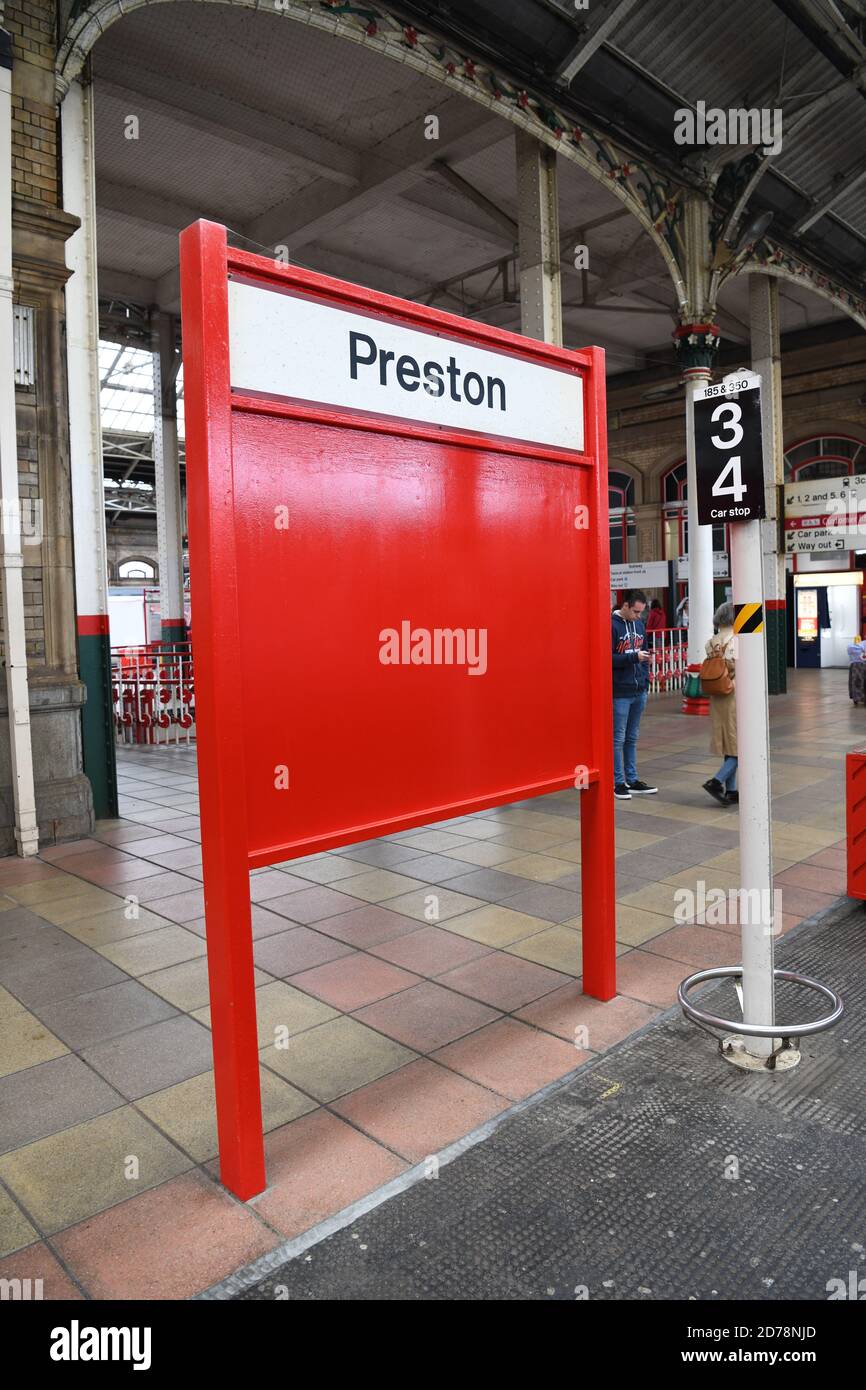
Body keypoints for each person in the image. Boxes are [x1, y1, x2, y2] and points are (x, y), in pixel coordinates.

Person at [612, 589, 658, 800]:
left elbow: (645, 650)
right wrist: (633, 658)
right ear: (626, 606)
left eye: (641, 612)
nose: (639, 616)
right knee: (618, 738)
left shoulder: (639, 625)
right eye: (636, 612)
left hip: (639, 689)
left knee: (632, 737)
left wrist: (646, 673)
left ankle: (632, 778)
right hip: (620, 691)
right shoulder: (611, 625)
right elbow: (607, 658)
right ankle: (618, 782)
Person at [702, 601, 738, 806]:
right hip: (734, 695)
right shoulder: (736, 640)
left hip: (717, 697)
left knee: (729, 744)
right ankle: (716, 781)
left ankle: (732, 791)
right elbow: (738, 667)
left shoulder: (712, 642)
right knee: (742, 744)